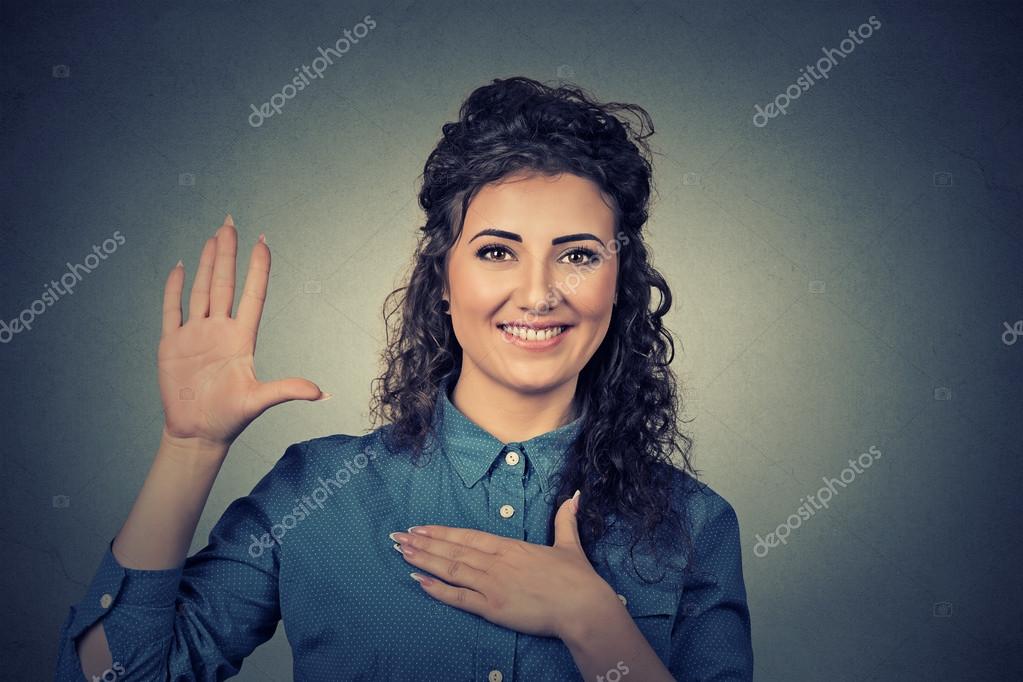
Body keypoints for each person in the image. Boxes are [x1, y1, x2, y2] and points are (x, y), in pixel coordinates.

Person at [54, 76, 753, 681]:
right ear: (442, 280)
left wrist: (593, 623)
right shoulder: (314, 493)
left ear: (618, 282)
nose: (539, 294)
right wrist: (189, 449)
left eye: (575, 255)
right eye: (495, 252)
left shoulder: (696, 525)